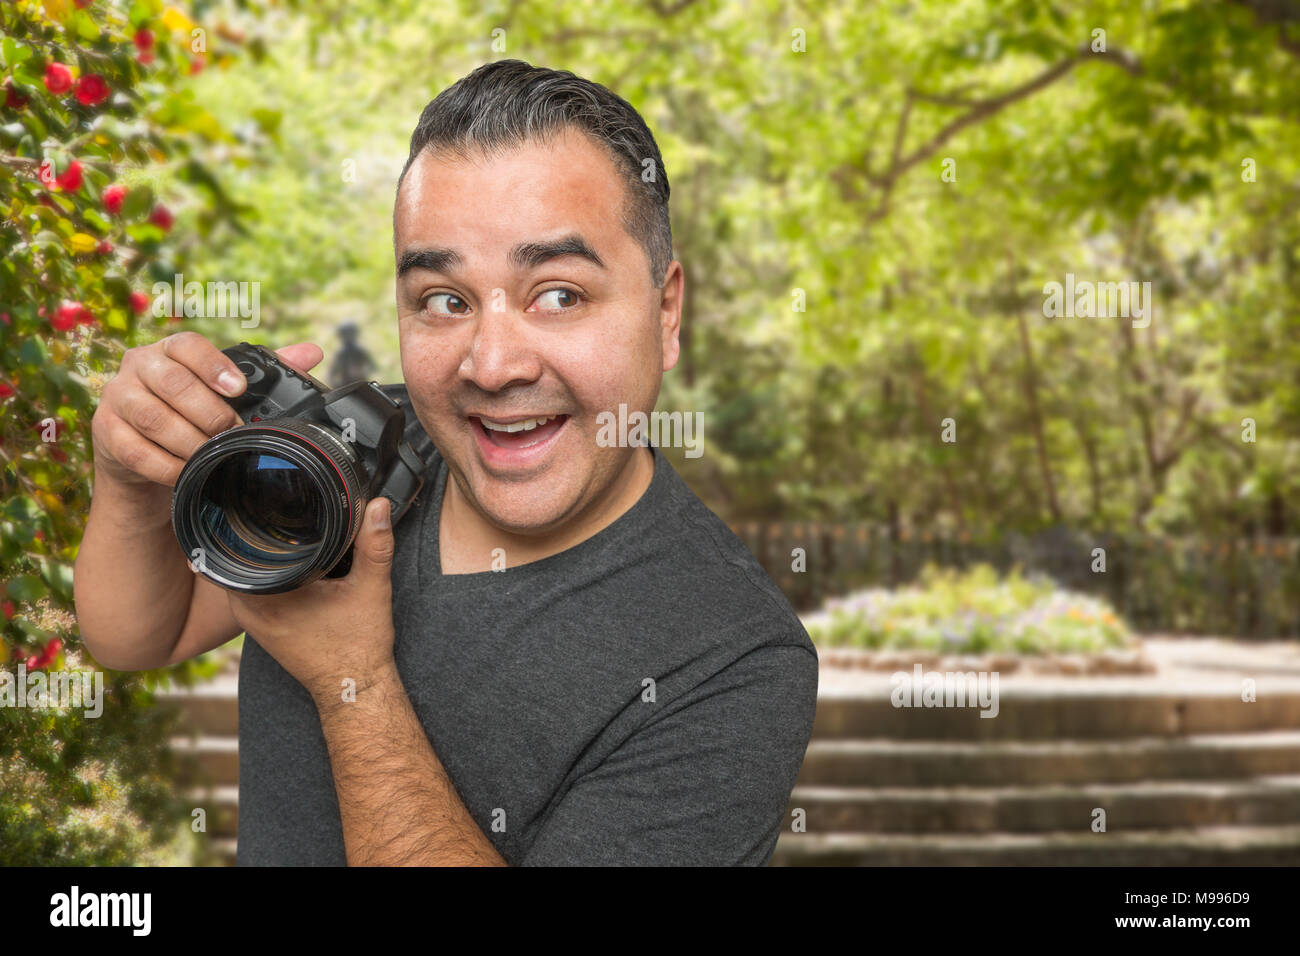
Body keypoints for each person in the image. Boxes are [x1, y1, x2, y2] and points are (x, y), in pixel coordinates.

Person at [74, 59, 818, 866]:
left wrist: (353, 680)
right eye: (444, 301)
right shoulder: (361, 454)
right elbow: (138, 635)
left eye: (558, 294)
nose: (492, 365)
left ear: (666, 311)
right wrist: (127, 484)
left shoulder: (734, 659)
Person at [327, 321, 375, 386]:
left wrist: (362, 371)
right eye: (345, 334)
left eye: (350, 334)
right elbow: (332, 373)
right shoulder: (341, 354)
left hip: (362, 384)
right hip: (346, 385)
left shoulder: (361, 351)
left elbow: (372, 366)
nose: (348, 337)